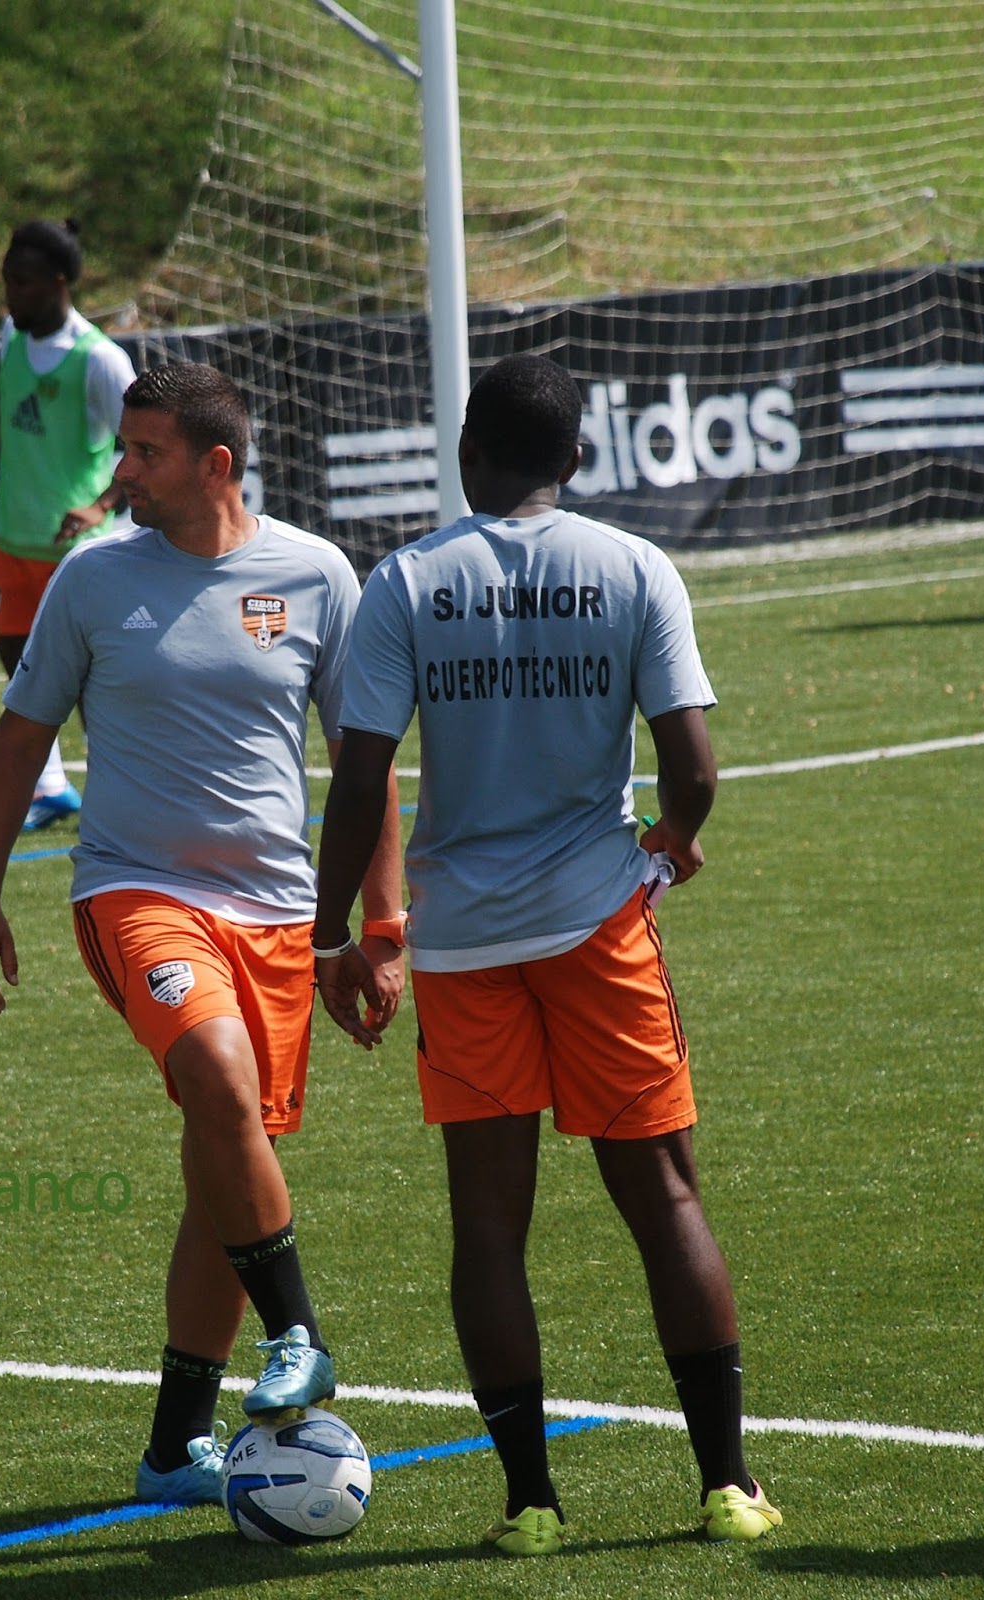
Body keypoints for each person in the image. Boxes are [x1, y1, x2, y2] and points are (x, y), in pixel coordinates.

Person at [311, 354, 781, 1554]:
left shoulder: (406, 581)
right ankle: (725, 1484)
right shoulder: (631, 566)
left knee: (486, 1229)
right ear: (575, 460)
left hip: (464, 944)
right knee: (661, 1194)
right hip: (596, 924)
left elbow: (359, 779)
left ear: (465, 453)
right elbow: (692, 766)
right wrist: (669, 842)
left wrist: (332, 942)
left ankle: (527, 1504)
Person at [0, 361, 405, 1508]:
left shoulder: (314, 574)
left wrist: (372, 929)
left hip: (276, 919)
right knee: (215, 1081)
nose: (122, 474)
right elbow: (18, 743)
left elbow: (364, 770)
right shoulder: (91, 580)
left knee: (229, 1159)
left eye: (143, 453)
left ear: (215, 464)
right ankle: (297, 1330)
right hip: (133, 892)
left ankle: (171, 1448)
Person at [0, 217, 137, 831]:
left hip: (75, 547)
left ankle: (121, 789)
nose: (10, 296)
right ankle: (52, 788)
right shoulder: (11, 336)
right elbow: (15, 407)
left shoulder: (101, 360)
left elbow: (146, 450)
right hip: (15, 532)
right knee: (16, 654)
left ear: (59, 283)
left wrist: (101, 507)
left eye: (21, 283)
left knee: (87, 677)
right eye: (6, 281)